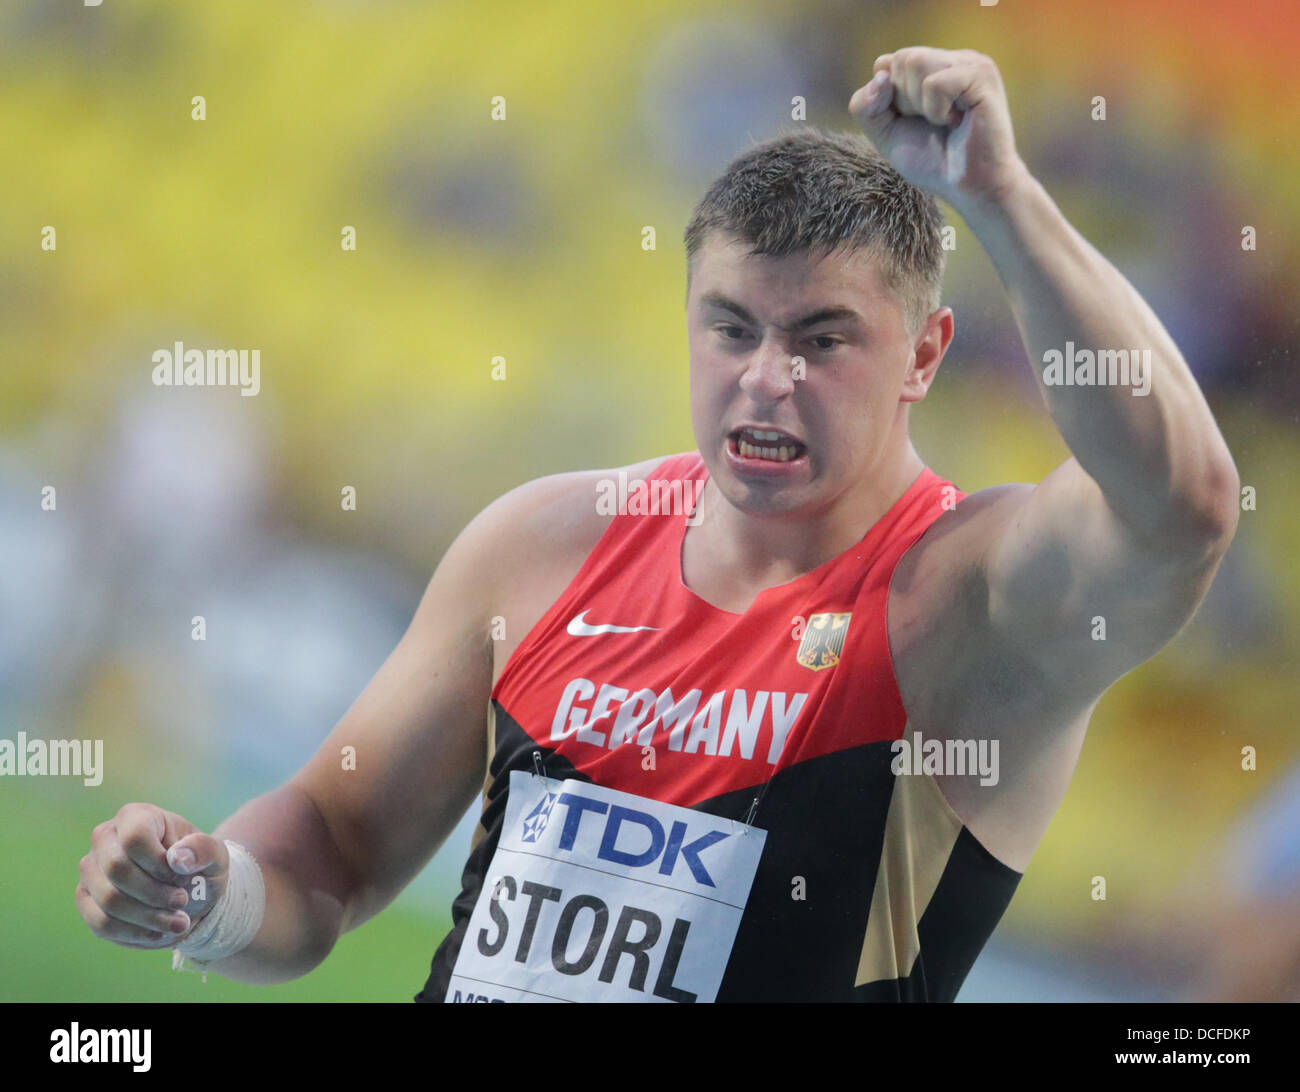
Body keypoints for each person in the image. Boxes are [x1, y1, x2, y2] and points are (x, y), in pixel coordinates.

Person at [75, 47, 1239, 1002]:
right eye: (730, 329)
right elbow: (331, 845)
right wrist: (207, 890)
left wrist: (1000, 198)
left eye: (822, 341)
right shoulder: (545, 543)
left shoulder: (971, 601)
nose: (764, 381)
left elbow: (1178, 506)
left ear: (923, 356)